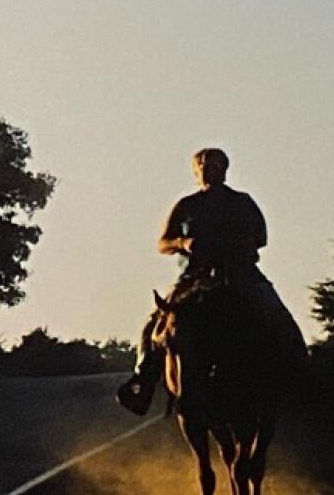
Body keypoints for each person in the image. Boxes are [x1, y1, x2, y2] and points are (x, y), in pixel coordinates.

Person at [116, 148, 271, 415]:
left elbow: (262, 237)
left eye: (217, 166)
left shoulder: (242, 202)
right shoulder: (186, 205)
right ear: (196, 170)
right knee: (156, 322)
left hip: (239, 273)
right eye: (205, 166)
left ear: (225, 169)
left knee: (272, 307)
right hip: (193, 278)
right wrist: (182, 242)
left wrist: (237, 244)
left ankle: (297, 368)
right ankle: (143, 379)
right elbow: (162, 243)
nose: (211, 170)